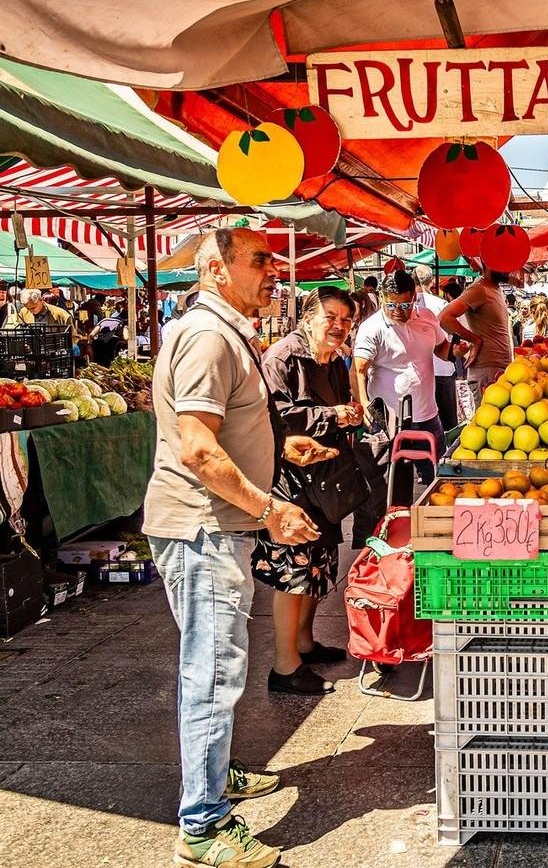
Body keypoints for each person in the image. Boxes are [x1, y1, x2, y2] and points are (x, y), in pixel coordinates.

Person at [144, 227, 333, 868]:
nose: (274, 269)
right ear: (215, 268)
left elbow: (228, 429)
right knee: (212, 674)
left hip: (213, 523)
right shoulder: (205, 335)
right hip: (202, 526)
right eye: (259, 259)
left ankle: (216, 776)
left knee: (216, 667)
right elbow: (198, 447)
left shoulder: (223, 332)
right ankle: (202, 825)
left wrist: (281, 450)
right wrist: (270, 508)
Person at [255, 286, 367, 696]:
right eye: (330, 317)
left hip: (327, 480)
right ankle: (284, 667)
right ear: (308, 317)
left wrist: (350, 414)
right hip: (291, 480)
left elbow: (339, 410)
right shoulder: (283, 358)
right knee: (293, 570)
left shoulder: (335, 360)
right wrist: (330, 414)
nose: (338, 326)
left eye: (345, 319)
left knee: (319, 566)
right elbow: (274, 414)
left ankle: (303, 644)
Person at [352, 268, 458, 480]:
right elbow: (357, 370)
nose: (397, 311)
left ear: (414, 298)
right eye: (391, 305)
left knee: (437, 480)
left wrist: (456, 352)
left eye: (404, 305)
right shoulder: (371, 328)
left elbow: (441, 347)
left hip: (428, 415)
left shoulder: (427, 317)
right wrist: (364, 405)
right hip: (391, 420)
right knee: (394, 486)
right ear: (382, 299)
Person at [440, 268, 514, 407]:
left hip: (498, 371)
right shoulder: (478, 289)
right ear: (486, 263)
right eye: (501, 263)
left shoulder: (496, 288)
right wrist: (475, 340)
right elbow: (444, 318)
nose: (507, 268)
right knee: (489, 425)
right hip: (486, 373)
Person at [412, 264, 459, 431]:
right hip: (442, 368)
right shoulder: (441, 304)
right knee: (448, 424)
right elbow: (453, 333)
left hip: (419, 372)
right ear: (431, 282)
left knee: (423, 423)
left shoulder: (407, 306)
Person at [7, 288, 73, 327]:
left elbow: (73, 338)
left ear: (41, 300)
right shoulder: (23, 312)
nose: (30, 311)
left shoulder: (61, 314)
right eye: (28, 308)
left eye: (33, 308)